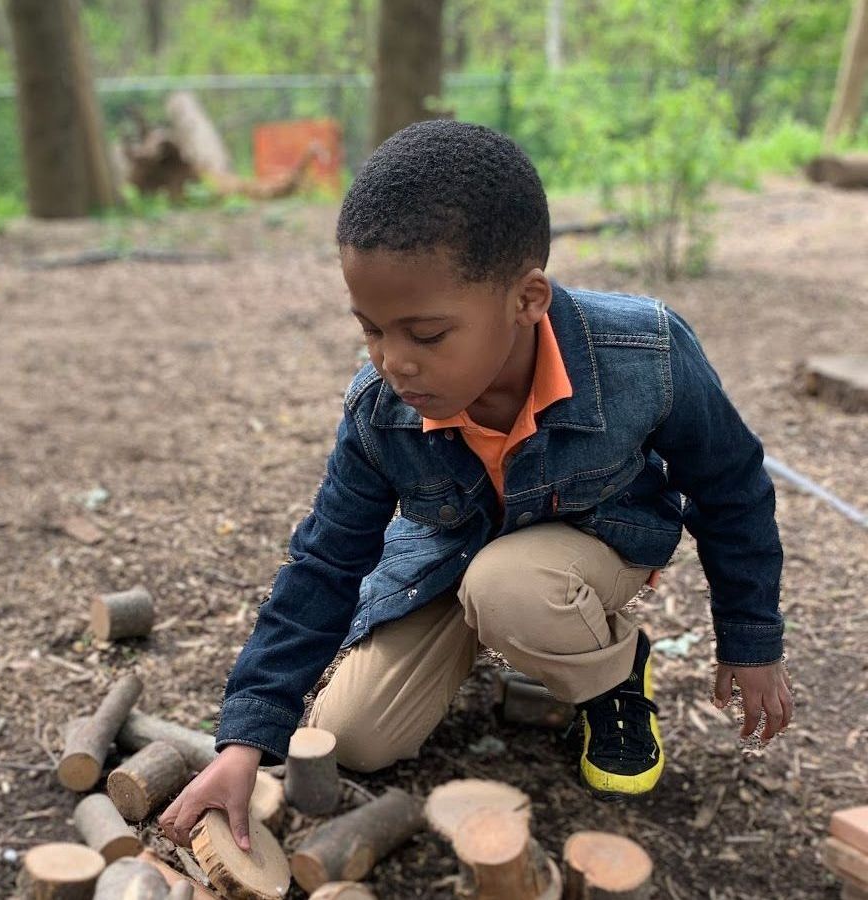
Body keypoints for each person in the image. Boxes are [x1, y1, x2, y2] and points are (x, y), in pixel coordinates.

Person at [160, 120, 793, 850]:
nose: (394, 362)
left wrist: (750, 642)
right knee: (353, 738)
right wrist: (243, 743)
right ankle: (516, 652)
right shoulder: (378, 410)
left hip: (590, 550)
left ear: (527, 299)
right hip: (452, 557)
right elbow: (326, 562)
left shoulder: (642, 355)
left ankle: (613, 675)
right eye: (371, 329)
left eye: (425, 335)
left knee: (513, 591)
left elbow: (731, 486)